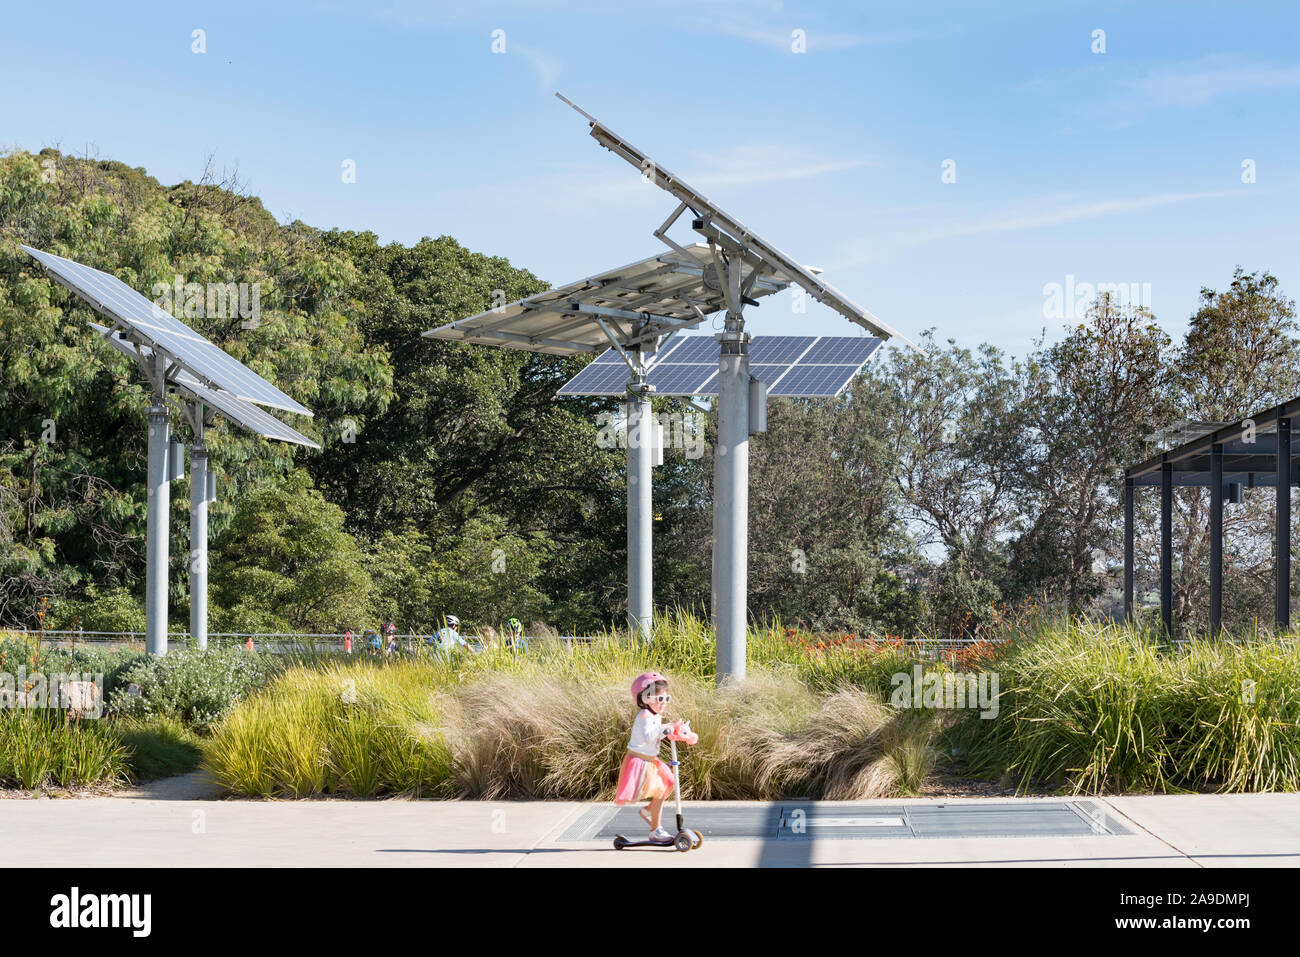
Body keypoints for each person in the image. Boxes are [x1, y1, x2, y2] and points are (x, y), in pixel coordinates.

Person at [614, 672, 697, 845]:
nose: (663, 704)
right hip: (639, 761)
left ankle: (649, 812)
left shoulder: (656, 716)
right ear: (645, 699)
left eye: (666, 699)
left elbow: (659, 733)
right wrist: (666, 729)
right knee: (660, 789)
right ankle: (655, 829)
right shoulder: (644, 717)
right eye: (659, 700)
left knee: (669, 781)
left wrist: (675, 731)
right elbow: (648, 736)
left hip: (651, 761)